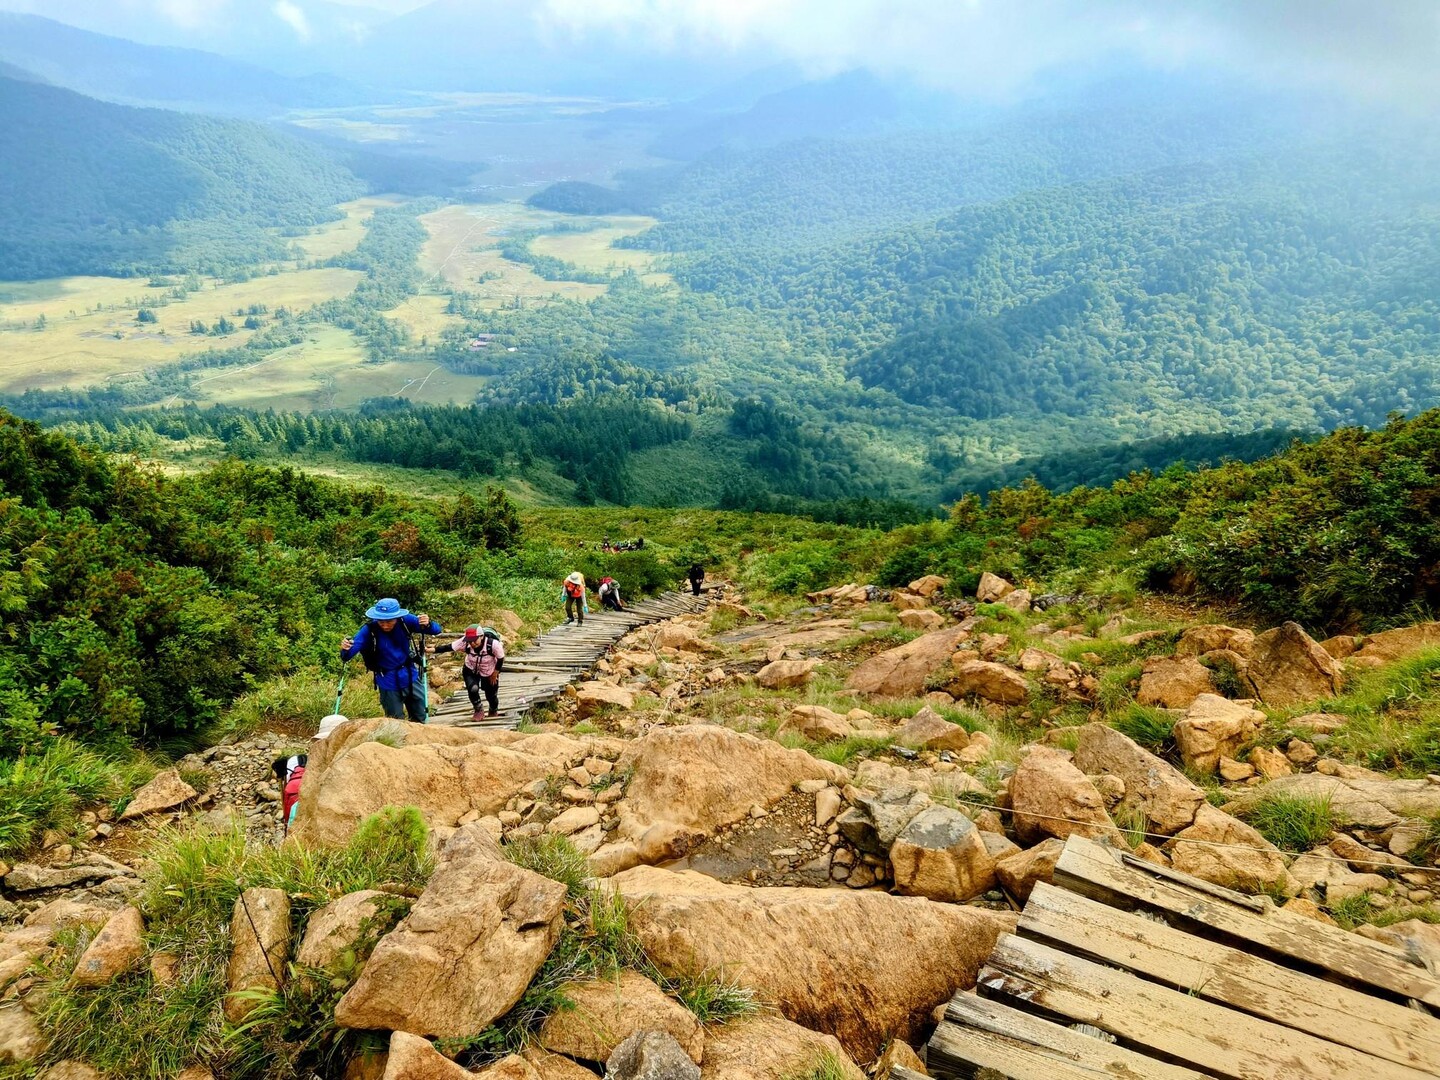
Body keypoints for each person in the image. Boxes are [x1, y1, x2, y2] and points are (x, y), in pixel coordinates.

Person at [340, 598, 440, 722]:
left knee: (420, 717)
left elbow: (436, 630)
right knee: (395, 721)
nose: (385, 625)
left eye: (389, 621)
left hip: (410, 675)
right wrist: (345, 648)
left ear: (397, 617)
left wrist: (428, 623)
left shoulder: (405, 620)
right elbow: (347, 655)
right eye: (381, 621)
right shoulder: (369, 629)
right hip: (386, 679)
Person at [450, 626, 505, 720]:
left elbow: (500, 659)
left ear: (482, 636)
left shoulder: (494, 644)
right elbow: (449, 647)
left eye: (475, 640)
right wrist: (433, 650)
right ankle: (478, 709)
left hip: (489, 670)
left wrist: (495, 673)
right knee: (473, 689)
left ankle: (493, 709)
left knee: (491, 695)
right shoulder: (465, 642)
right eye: (470, 641)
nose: (472, 643)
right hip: (470, 668)